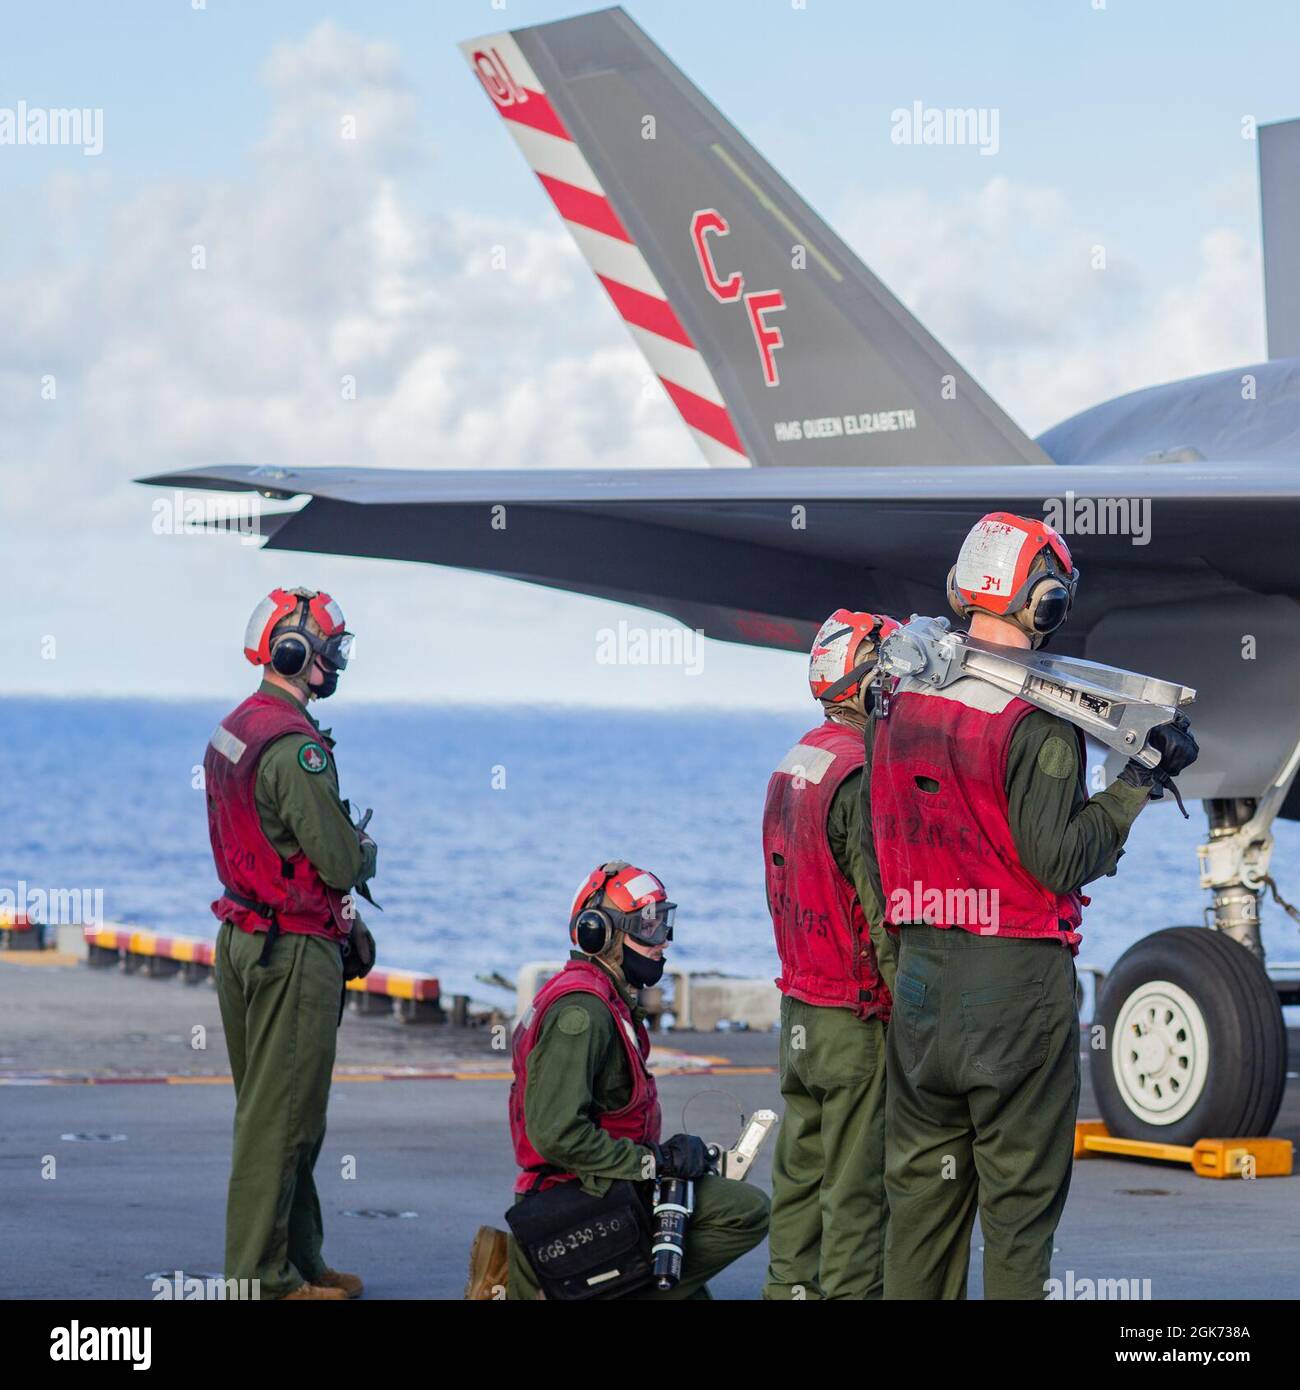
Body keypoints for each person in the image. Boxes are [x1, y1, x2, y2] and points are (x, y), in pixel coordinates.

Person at [865, 513, 1198, 1300]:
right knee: (1016, 1214)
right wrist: (1137, 782)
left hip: (919, 983)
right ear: (1042, 605)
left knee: (919, 1210)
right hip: (1012, 984)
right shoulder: (1039, 721)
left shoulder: (900, 700)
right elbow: (1061, 860)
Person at [205, 587, 378, 1301]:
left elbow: (262, 845)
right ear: (293, 653)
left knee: (278, 1113)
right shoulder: (297, 747)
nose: (333, 663)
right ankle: (261, 1281)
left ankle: (301, 1258)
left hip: (243, 937)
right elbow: (337, 862)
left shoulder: (236, 727)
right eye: (327, 651)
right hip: (292, 953)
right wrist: (363, 851)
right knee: (283, 1122)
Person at [506, 862, 770, 1300]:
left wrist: (661, 1157)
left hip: (605, 1182)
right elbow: (554, 1134)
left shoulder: (605, 997)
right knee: (746, 1211)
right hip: (575, 1195)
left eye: (663, 922)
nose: (662, 940)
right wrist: (653, 1163)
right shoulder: (580, 1015)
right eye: (647, 928)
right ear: (598, 933)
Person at [761, 609, 899, 1301]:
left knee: (799, 1180)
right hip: (852, 1017)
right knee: (854, 1192)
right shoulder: (860, 772)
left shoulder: (795, 764)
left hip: (800, 1014)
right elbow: (880, 914)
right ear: (863, 681)